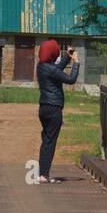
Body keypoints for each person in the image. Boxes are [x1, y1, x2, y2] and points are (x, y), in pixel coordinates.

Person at [35, 38, 79, 184]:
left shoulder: (41, 66)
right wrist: (76, 62)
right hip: (54, 110)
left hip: (44, 108)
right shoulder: (51, 69)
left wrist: (67, 56)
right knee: (50, 142)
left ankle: (43, 173)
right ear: (52, 53)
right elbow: (71, 79)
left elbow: (57, 69)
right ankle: (44, 175)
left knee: (46, 140)